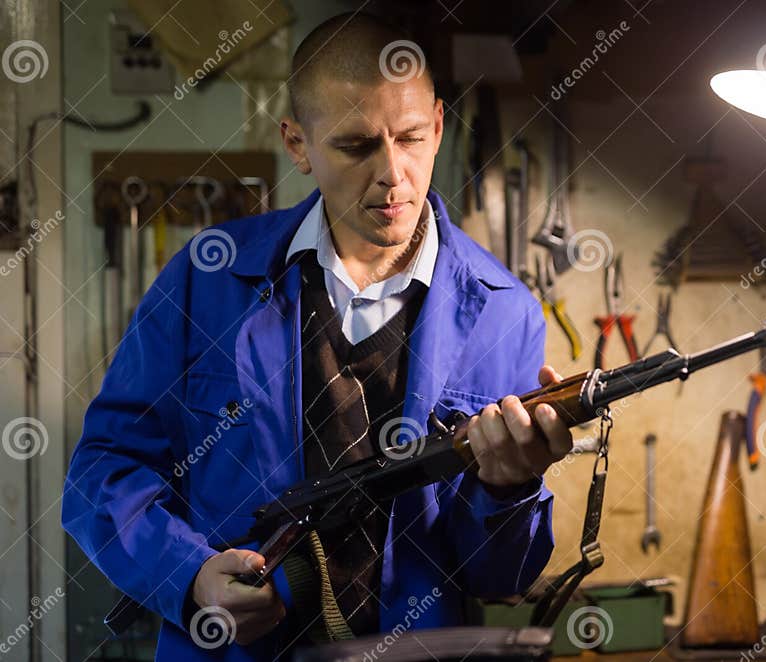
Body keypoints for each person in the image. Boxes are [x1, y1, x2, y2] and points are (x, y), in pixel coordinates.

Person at [62, 11, 573, 661]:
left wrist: (510, 489)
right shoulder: (208, 277)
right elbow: (103, 470)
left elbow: (499, 577)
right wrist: (188, 577)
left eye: (411, 138)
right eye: (357, 146)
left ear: (440, 126)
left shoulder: (505, 313)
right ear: (298, 145)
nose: (393, 174)